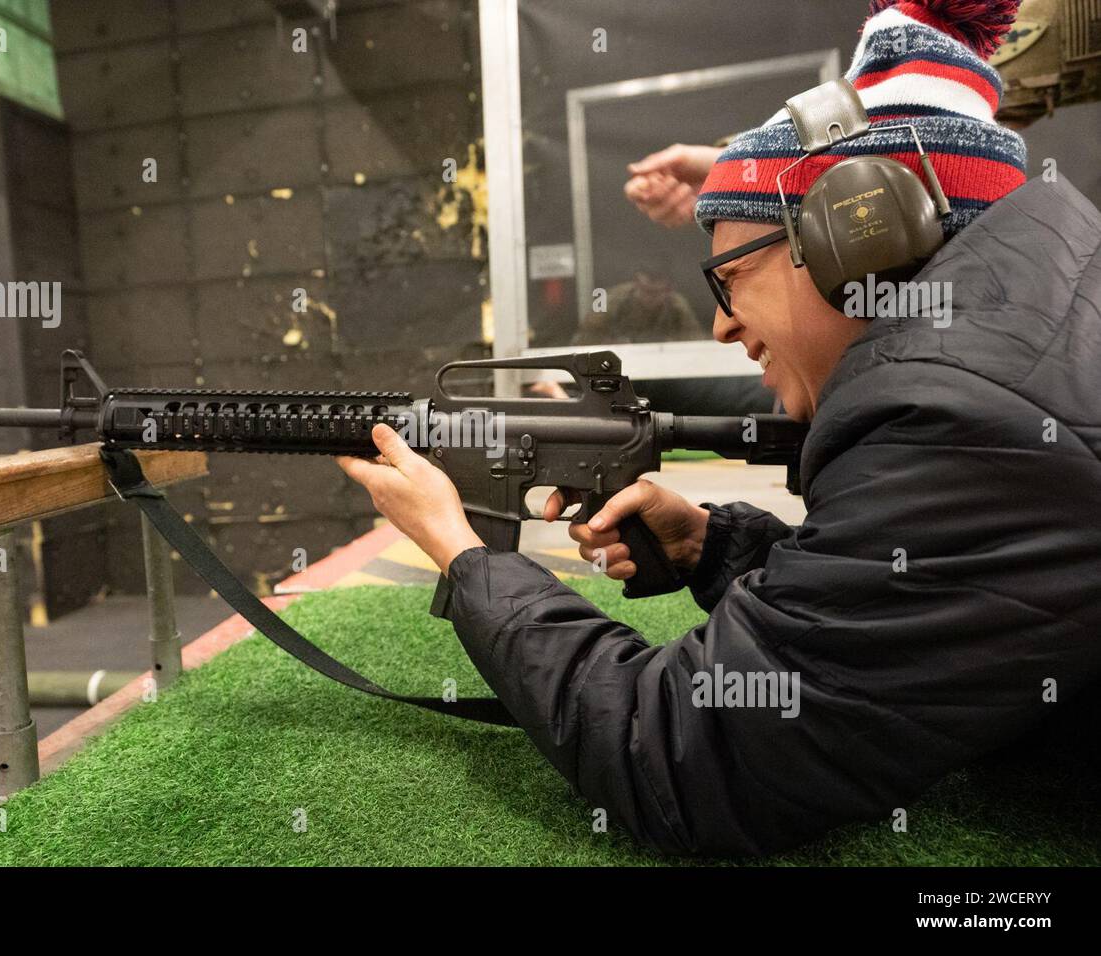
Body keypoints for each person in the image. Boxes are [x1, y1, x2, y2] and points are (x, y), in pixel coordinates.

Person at [337, 0, 1101, 855]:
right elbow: (914, 609)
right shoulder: (1030, 346)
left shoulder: (969, 417)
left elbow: (686, 760)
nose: (722, 328)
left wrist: (461, 554)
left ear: (860, 242)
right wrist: (715, 546)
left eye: (730, 277)